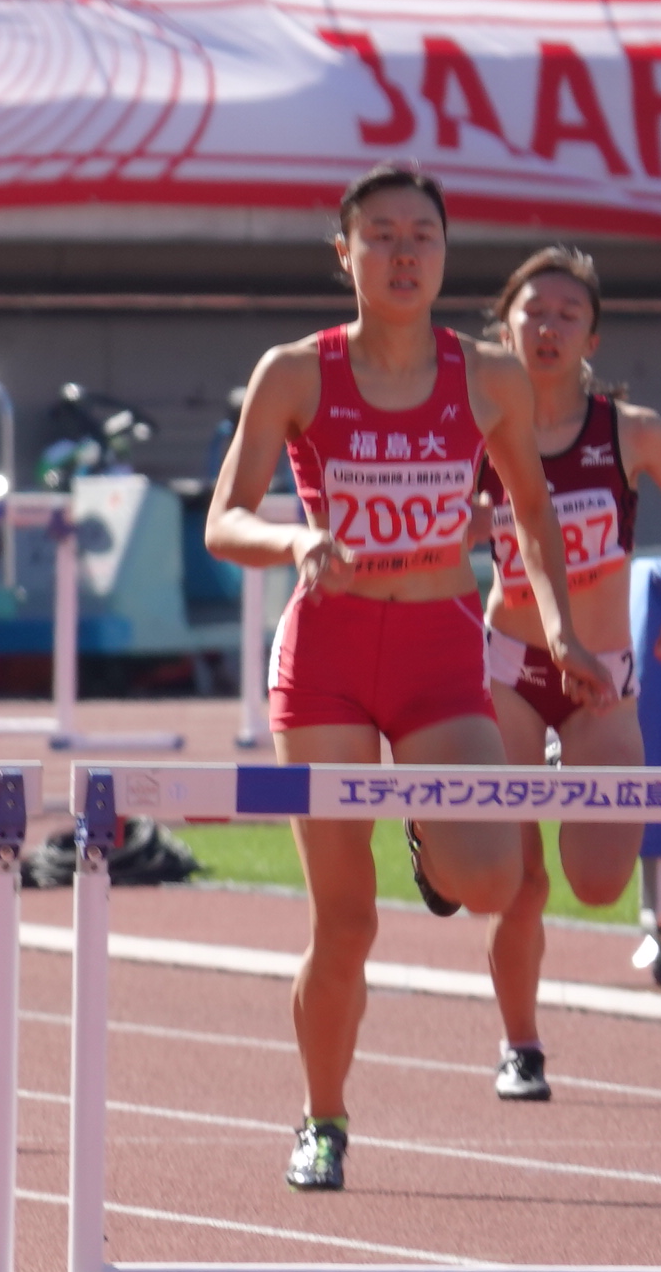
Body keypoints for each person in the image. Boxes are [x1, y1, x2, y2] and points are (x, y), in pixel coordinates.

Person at [203, 163, 611, 1193]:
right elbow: (224, 520)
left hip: (437, 650)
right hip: (329, 660)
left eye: (420, 235)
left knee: (494, 879)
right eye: (379, 235)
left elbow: (531, 512)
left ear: (443, 254)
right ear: (345, 253)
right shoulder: (295, 373)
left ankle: (433, 843)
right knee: (346, 923)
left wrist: (560, 629)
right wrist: (296, 541)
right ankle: (322, 1119)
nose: (401, 253)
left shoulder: (489, 378)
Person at [472, 248, 661, 1102]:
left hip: (603, 683)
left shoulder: (631, 432)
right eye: (533, 313)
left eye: (566, 315)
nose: (548, 329)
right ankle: (521, 1046)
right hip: (509, 671)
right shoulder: (476, 429)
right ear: (504, 327)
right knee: (518, 880)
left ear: (592, 337)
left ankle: (564, 759)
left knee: (599, 881)